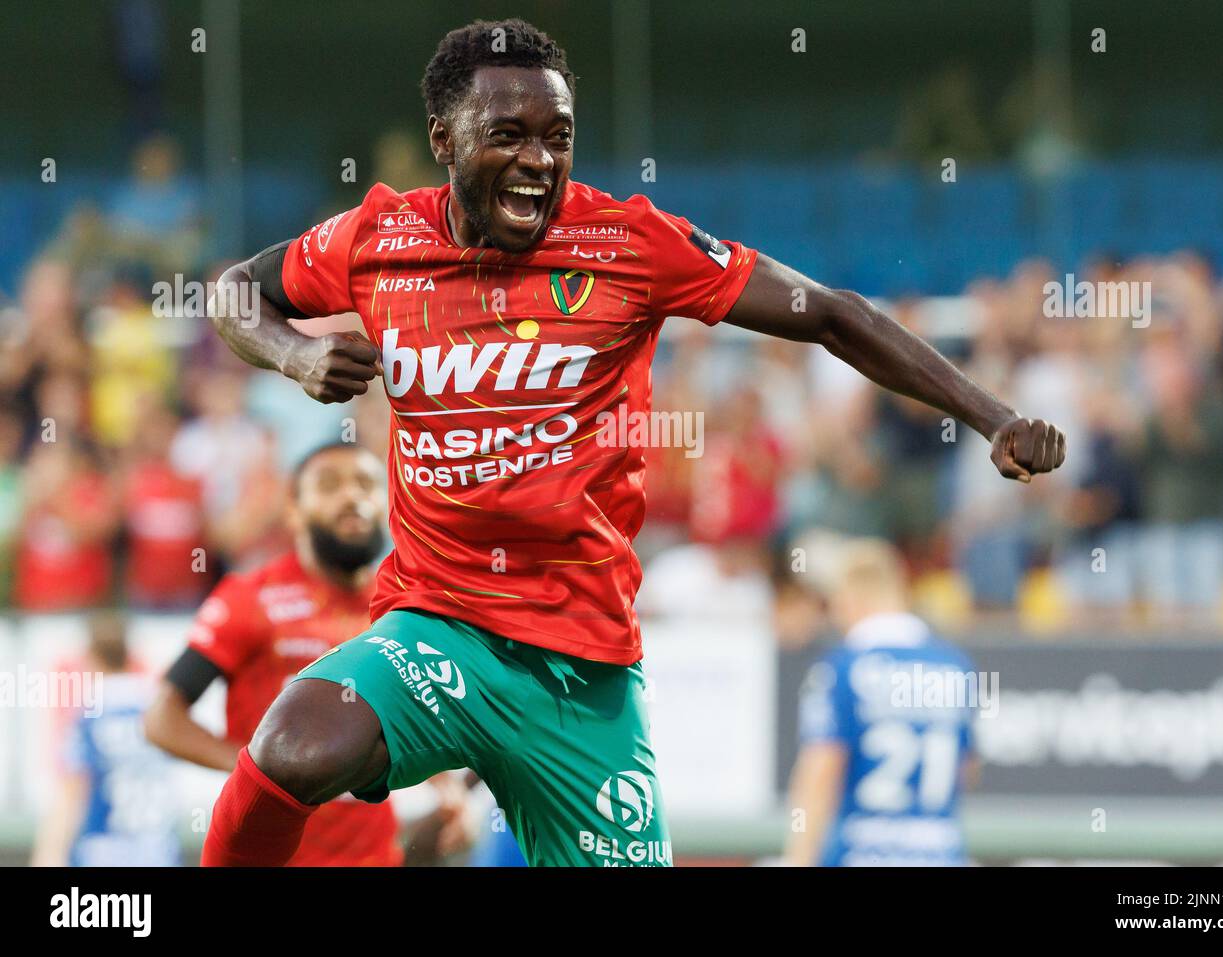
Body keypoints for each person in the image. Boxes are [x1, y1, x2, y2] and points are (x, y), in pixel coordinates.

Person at [200, 18, 1064, 868]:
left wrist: (992, 415)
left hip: (582, 662)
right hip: (440, 627)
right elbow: (235, 290)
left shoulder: (631, 243)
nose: (539, 161)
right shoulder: (377, 239)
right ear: (444, 139)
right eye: (508, 135)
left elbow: (833, 314)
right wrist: (297, 351)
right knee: (295, 743)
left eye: (559, 137)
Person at [145, 443, 409, 865]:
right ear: (293, 509)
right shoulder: (251, 597)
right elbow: (162, 718)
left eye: (367, 484)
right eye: (329, 485)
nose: (351, 497)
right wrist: (264, 772)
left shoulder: (402, 607)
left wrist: (446, 789)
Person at [785, 539, 980, 866]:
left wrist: (799, 859)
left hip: (860, 854)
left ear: (850, 598)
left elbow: (820, 772)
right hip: (938, 855)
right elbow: (967, 767)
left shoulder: (843, 668)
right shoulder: (955, 666)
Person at [31, 612, 181, 867]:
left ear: (90, 656)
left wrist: (49, 854)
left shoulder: (90, 713)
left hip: (102, 851)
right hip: (158, 850)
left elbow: (73, 790)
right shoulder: (156, 707)